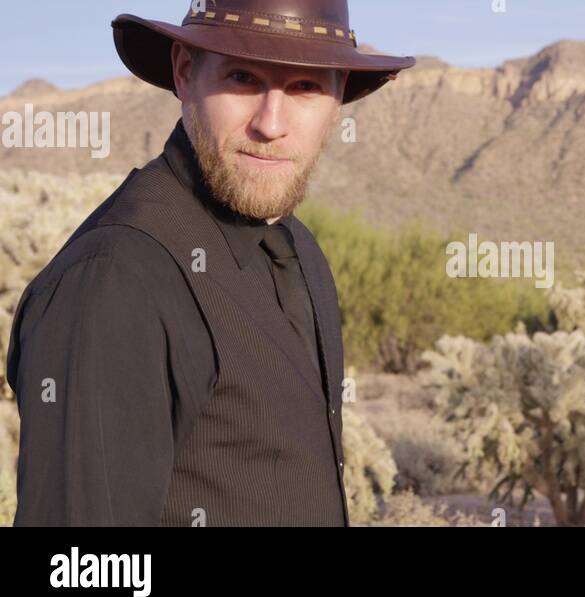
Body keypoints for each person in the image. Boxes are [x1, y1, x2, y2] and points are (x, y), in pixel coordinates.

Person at [4, 0, 415, 526]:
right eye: (243, 78)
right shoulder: (114, 281)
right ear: (184, 72)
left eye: (306, 86)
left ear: (338, 96)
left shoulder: (298, 250)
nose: (271, 124)